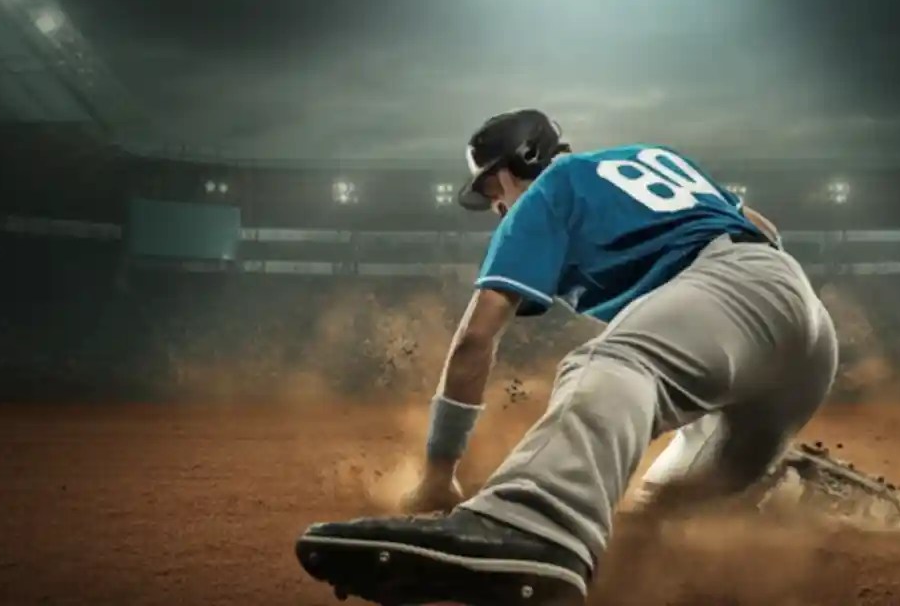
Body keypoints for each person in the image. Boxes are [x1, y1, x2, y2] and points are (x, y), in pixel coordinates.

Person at [296, 109, 838, 605]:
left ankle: (528, 524)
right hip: (802, 338)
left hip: (733, 295)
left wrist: (438, 473)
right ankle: (792, 485)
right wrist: (774, 313)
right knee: (654, 515)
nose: (496, 206)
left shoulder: (549, 190)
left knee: (610, 366)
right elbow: (763, 228)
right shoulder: (654, 157)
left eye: (491, 187)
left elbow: (475, 339)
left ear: (522, 161)